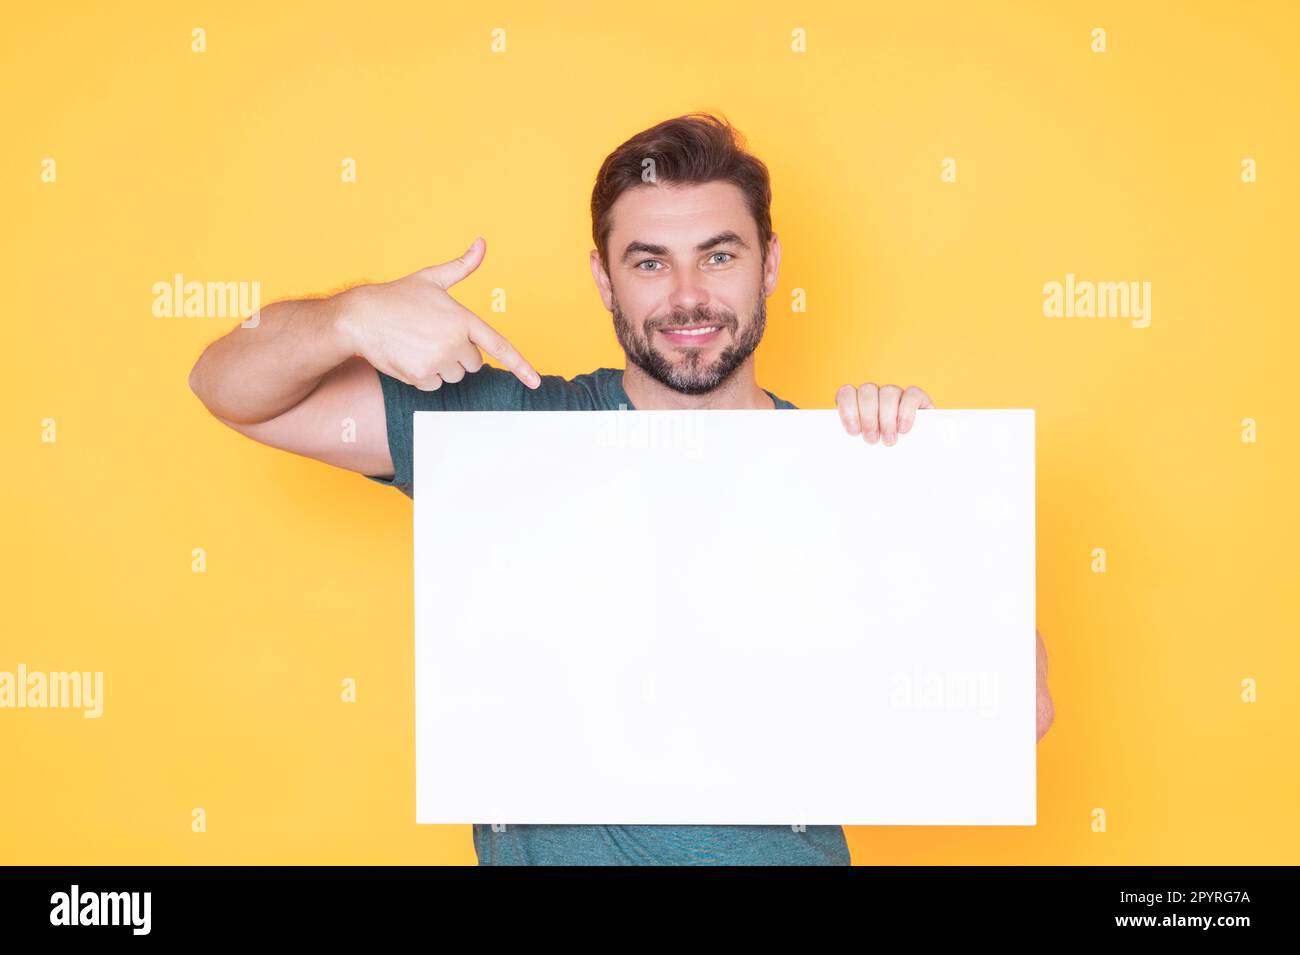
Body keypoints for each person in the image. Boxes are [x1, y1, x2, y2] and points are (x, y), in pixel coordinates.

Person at [189, 112, 1054, 865]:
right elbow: (231, 388)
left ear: (769, 264)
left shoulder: (842, 469)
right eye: (649, 263)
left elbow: (1022, 709)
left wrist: (936, 493)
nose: (687, 296)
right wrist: (348, 315)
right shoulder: (501, 434)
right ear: (603, 278)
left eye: (719, 255)